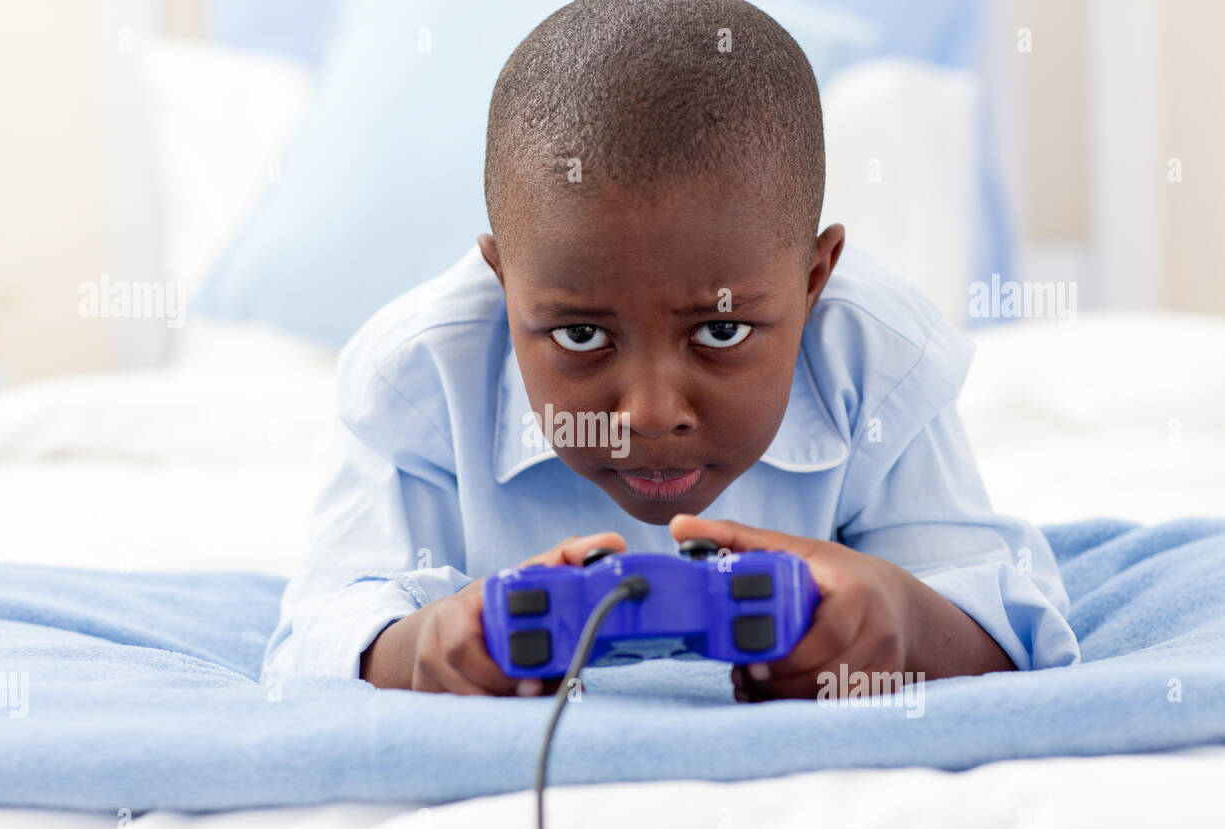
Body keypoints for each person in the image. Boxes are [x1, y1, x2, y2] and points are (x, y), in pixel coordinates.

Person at [261, 0, 1078, 701]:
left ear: (814, 281)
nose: (649, 415)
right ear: (502, 283)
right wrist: (432, 650)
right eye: (580, 336)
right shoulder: (416, 378)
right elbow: (318, 642)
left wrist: (895, 623)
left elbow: (1010, 625)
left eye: (721, 332)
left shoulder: (877, 359)